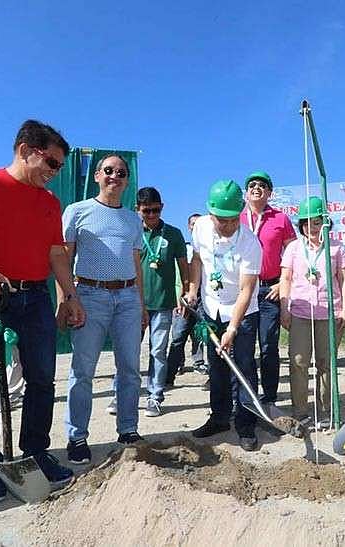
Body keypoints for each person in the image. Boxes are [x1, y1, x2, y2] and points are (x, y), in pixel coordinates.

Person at [0, 120, 85, 502]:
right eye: (51, 163)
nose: (54, 172)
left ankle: (36, 451)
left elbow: (56, 253)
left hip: (36, 299)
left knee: (43, 378)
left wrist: (70, 295)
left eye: (59, 166)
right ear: (26, 149)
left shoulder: (48, 202)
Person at [60, 154, 147, 465]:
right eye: (108, 170)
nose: (115, 176)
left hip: (127, 298)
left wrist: (141, 303)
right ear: (97, 175)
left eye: (121, 172)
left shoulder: (133, 219)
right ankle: (77, 436)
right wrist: (67, 299)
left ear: (126, 180)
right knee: (82, 370)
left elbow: (136, 263)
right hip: (89, 295)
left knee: (130, 370)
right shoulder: (77, 211)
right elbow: (64, 259)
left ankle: (128, 430)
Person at [187, 180, 262, 451]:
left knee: (242, 366)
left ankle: (246, 424)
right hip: (211, 307)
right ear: (211, 213)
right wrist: (193, 289)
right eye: (221, 219)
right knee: (216, 367)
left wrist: (232, 328)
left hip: (241, 312)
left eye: (232, 220)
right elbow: (196, 260)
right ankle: (219, 418)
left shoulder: (250, 244)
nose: (227, 225)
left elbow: (246, 290)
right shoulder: (202, 228)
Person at [280, 197, 345, 428]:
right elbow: (286, 279)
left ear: (325, 223)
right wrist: (284, 309)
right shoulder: (293, 248)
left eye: (318, 221)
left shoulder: (337, 247)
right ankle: (300, 410)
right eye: (307, 222)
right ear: (301, 224)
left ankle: (327, 409)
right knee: (298, 361)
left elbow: (344, 279)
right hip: (300, 313)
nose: (312, 227)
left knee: (326, 362)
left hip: (329, 314)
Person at [240, 171, 296, 404]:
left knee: (268, 347)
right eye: (252, 184)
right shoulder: (236, 218)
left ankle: (269, 397)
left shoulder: (280, 219)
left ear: (270, 192)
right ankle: (247, 396)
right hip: (243, 292)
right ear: (245, 192)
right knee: (243, 346)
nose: (256, 187)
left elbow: (293, 255)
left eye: (262, 185)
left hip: (269, 291)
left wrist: (282, 285)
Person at [136, 186, 188, 417]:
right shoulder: (132, 232)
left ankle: (155, 396)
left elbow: (184, 267)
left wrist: (185, 292)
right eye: (147, 211)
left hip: (164, 303)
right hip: (134, 303)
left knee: (158, 350)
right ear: (138, 209)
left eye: (156, 210)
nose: (152, 215)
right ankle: (120, 395)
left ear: (162, 208)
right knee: (128, 351)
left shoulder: (174, 233)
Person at [166, 213, 207, 387]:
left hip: (204, 299)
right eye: (193, 224)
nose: (196, 226)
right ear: (189, 227)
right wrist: (180, 298)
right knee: (178, 337)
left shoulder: (208, 247)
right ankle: (169, 377)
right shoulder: (184, 248)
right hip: (183, 299)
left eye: (199, 223)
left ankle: (210, 374)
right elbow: (177, 276)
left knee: (207, 336)